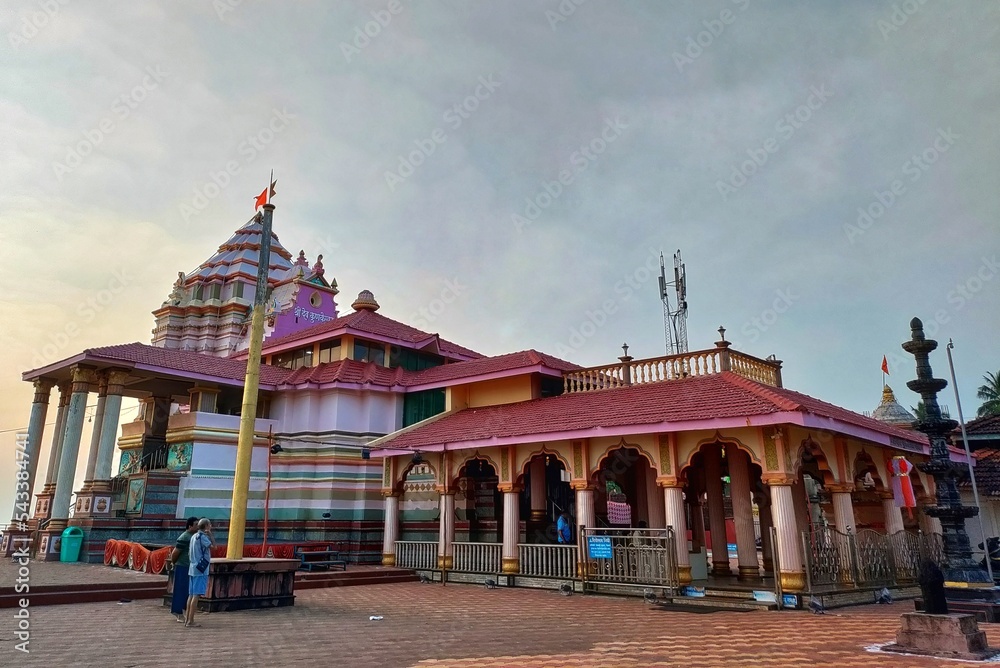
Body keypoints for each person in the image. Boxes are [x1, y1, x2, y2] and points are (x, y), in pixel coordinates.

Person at [168, 517, 199, 622]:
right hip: (183, 566)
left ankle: (185, 610)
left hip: (191, 566)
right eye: (196, 524)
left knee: (187, 590)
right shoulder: (184, 537)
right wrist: (174, 563)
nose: (198, 526)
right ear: (190, 526)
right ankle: (178, 612)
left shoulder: (195, 536)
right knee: (180, 590)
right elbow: (175, 553)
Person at [185, 518, 214, 628]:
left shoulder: (193, 536)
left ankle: (188, 619)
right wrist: (211, 535)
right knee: (196, 595)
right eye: (209, 525)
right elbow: (214, 547)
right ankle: (190, 621)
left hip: (192, 567)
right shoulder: (203, 537)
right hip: (200, 568)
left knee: (191, 595)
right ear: (206, 526)